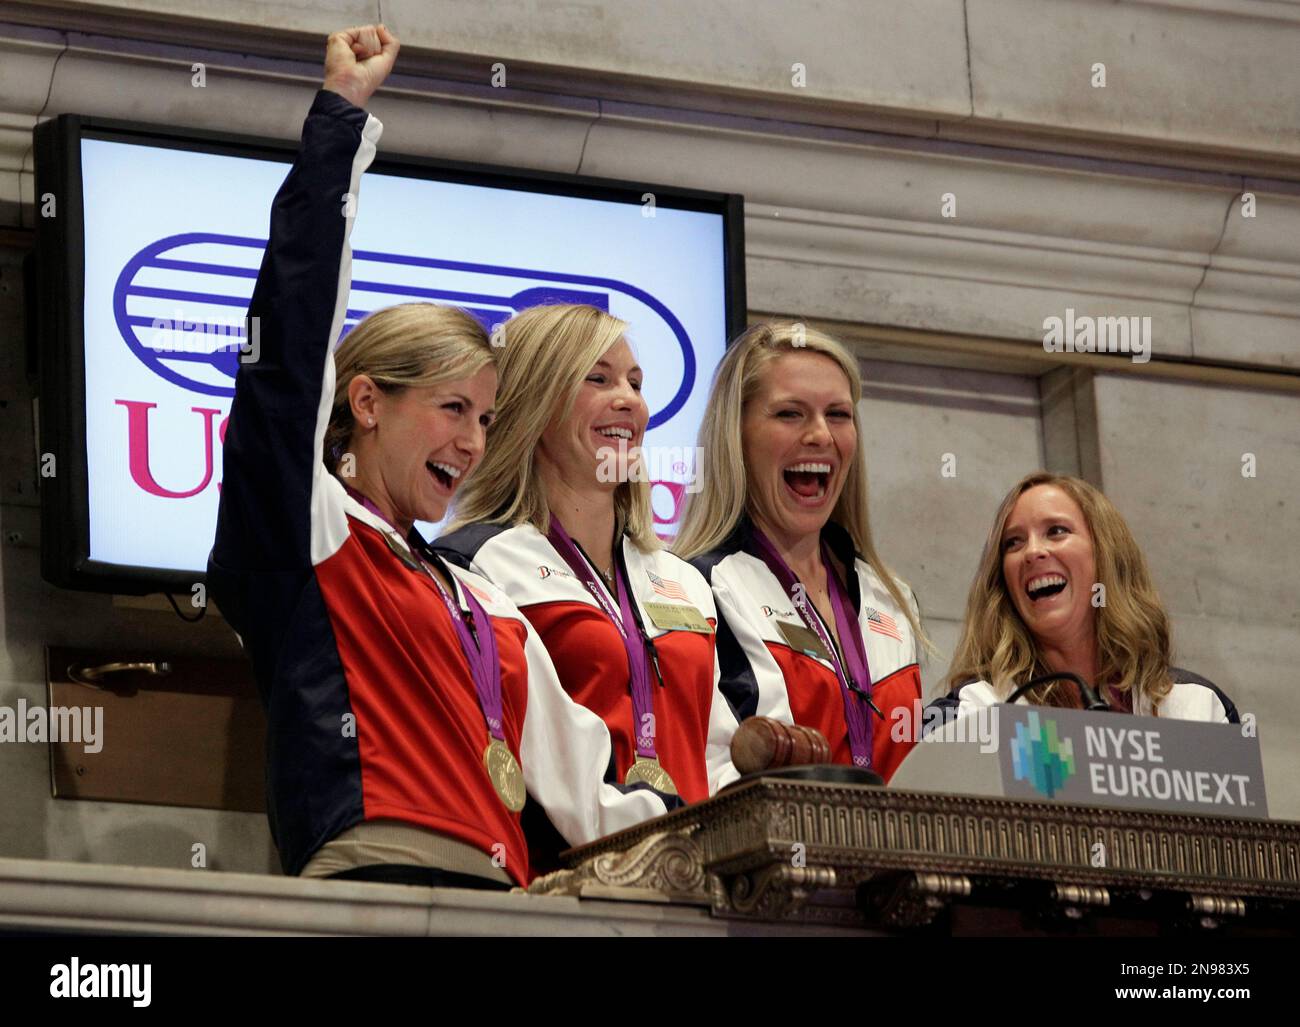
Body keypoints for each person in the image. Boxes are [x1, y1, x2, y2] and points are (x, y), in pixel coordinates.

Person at [207, 25, 673, 890]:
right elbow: (290, 341)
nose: (472, 441)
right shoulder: (311, 528)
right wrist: (338, 124)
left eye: (489, 419)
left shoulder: (486, 604)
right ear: (368, 401)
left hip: (504, 900)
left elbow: (597, 799)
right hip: (368, 881)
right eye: (453, 408)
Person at [437, 304, 740, 834]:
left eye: (636, 383)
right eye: (597, 379)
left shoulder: (685, 581)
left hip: (694, 878)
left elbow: (713, 751)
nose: (629, 400)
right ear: (534, 402)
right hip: (567, 880)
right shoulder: (474, 565)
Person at [673, 321, 928, 782]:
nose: (820, 436)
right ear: (737, 436)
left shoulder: (893, 599)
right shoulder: (697, 589)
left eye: (838, 415)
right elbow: (703, 773)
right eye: (790, 414)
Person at [929, 471, 1238, 722]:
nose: (1033, 551)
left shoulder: (1198, 708)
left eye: (1056, 531)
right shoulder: (972, 712)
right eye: (1013, 542)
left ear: (1106, 554)